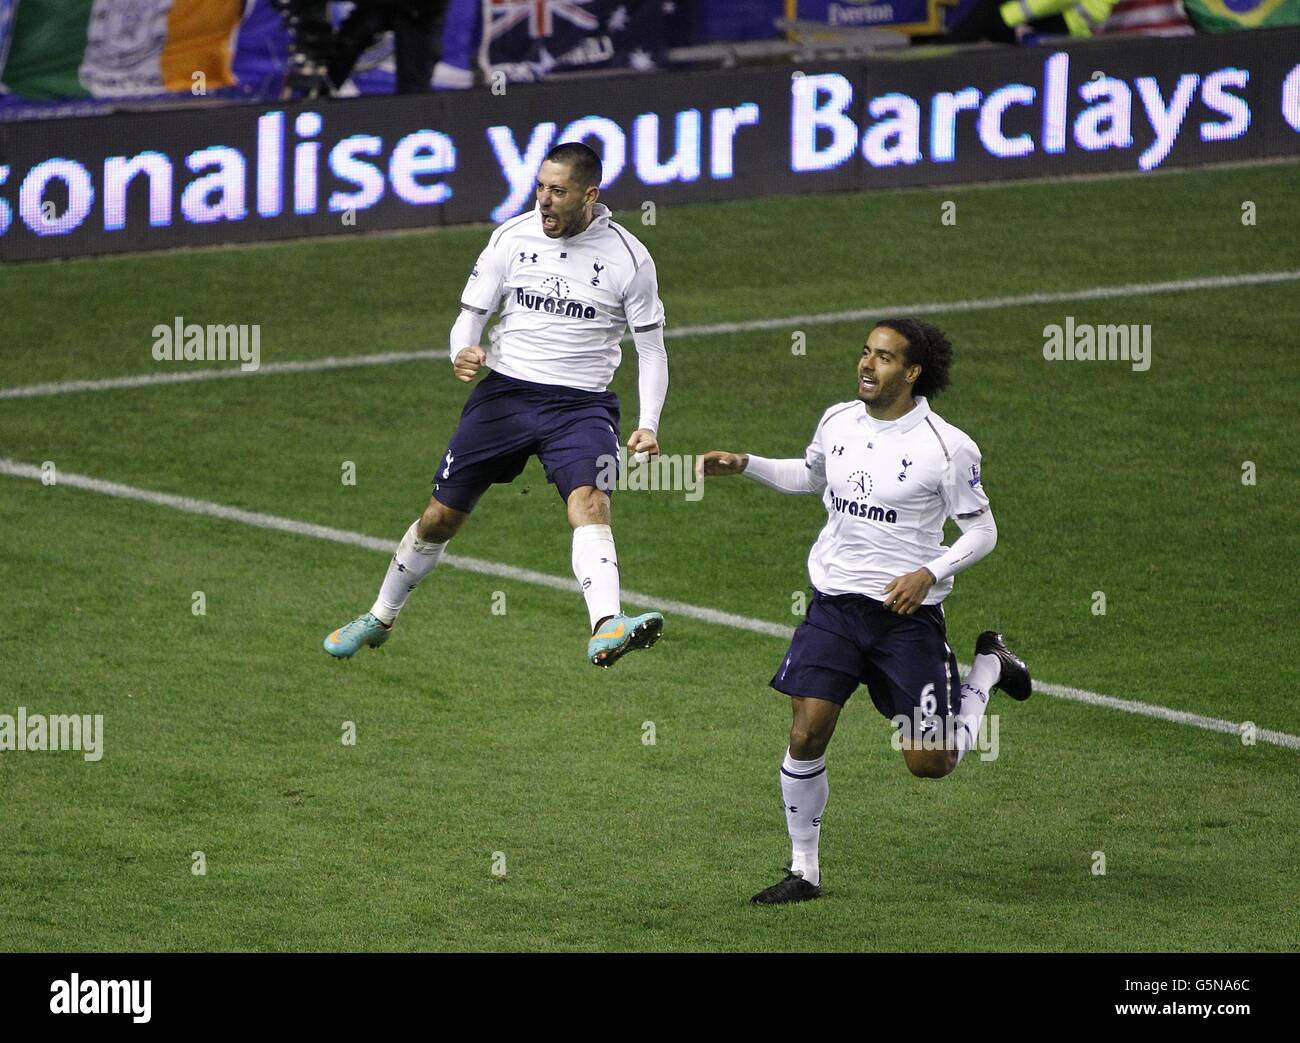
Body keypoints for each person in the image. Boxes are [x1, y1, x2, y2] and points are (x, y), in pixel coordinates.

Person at [697, 319, 1032, 905]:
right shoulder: (837, 420)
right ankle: (804, 872)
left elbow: (983, 530)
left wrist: (931, 571)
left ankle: (989, 668)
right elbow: (811, 476)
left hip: (907, 620)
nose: (866, 366)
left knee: (931, 762)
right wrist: (746, 463)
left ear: (912, 372)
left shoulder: (947, 447)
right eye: (864, 353)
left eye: (883, 357)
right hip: (834, 609)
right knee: (806, 731)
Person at [325, 142, 668, 668]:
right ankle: (380, 616)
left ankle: (606, 624)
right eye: (540, 188)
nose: (545, 201)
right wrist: (460, 351)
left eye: (559, 191)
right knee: (439, 518)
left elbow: (651, 350)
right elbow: (471, 314)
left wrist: (648, 425)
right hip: (505, 396)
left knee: (591, 503)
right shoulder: (512, 236)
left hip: (581, 407)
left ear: (589, 195)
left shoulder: (629, 259)